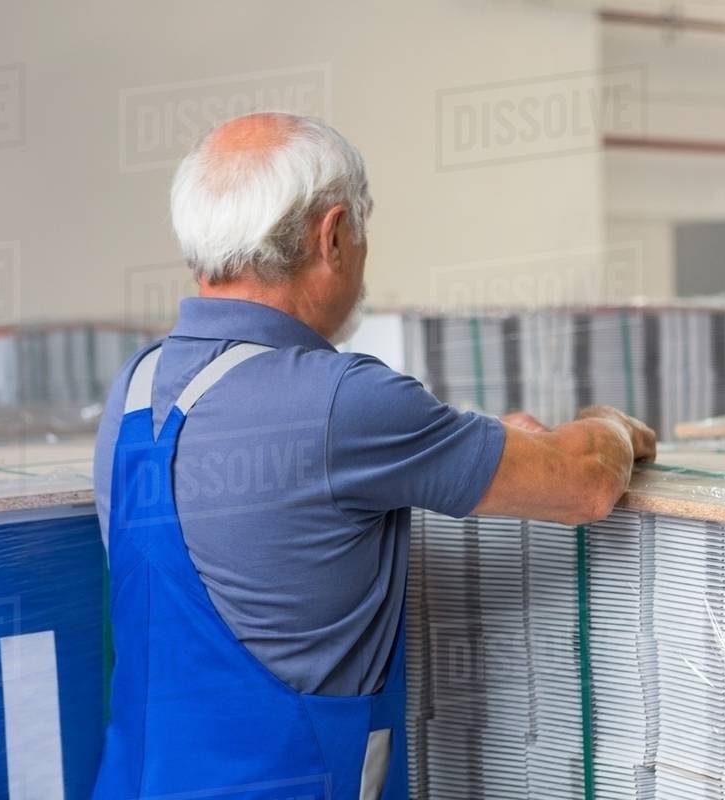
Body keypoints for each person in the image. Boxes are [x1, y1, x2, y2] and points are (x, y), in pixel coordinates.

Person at [92, 111, 656, 800]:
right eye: (361, 230)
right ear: (332, 235)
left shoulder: (136, 385)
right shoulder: (341, 399)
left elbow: (294, 511)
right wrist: (611, 425)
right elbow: (584, 483)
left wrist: (480, 444)